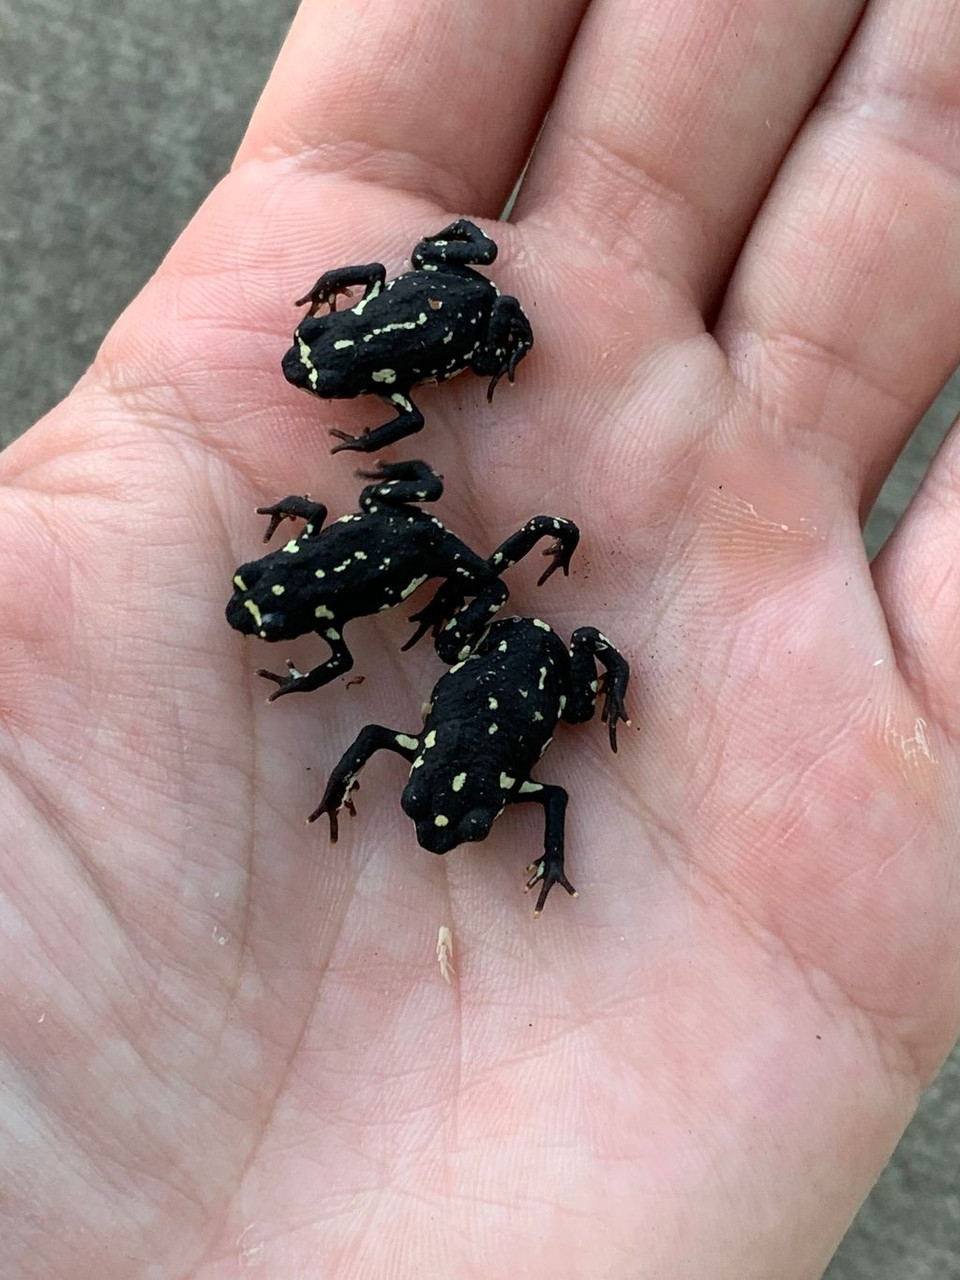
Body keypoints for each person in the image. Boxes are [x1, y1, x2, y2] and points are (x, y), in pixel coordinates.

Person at [2, 2, 958, 1275]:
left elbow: (442, 736)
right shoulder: (428, 725)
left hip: (473, 606)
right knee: (486, 603)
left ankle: (525, 601)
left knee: (483, 591)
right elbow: (444, 732)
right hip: (474, 610)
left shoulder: (455, 751)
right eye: (441, 811)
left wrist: (413, 647)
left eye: (433, 808)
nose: (436, 811)